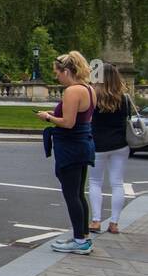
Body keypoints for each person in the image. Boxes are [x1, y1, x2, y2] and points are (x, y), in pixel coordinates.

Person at [37, 51, 96, 254]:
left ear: (67, 71)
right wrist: (56, 115)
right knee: (79, 193)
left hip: (70, 147)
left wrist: (47, 117)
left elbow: (68, 123)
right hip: (83, 144)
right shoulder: (89, 89)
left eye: (57, 72)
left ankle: (79, 241)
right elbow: (79, 118)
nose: (56, 77)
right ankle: (84, 236)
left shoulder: (72, 91)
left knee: (71, 194)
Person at [89, 62, 133, 235]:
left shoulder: (93, 97)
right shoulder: (124, 97)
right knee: (117, 183)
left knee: (95, 182)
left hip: (98, 145)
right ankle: (114, 223)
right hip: (120, 144)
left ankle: (96, 220)